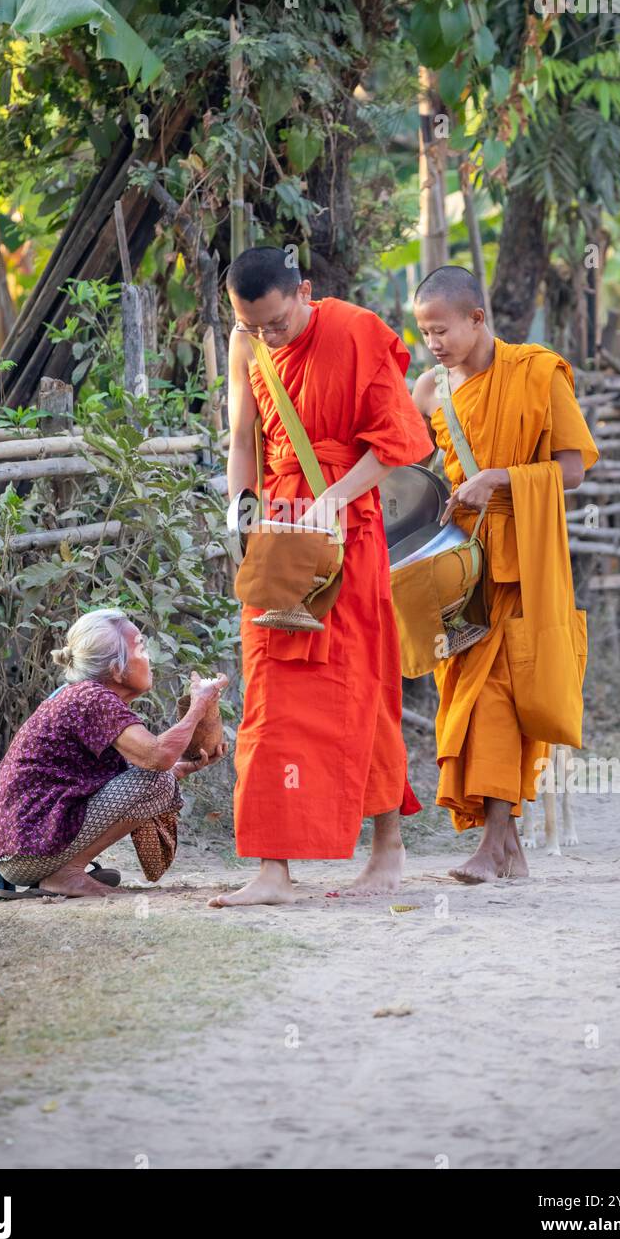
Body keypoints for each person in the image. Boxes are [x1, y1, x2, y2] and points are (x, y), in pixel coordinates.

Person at [213, 246, 434, 908]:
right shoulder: (246, 342)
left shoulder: (357, 331)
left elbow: (398, 440)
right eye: (253, 326)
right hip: (280, 531)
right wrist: (242, 513)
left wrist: (334, 497)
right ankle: (273, 868)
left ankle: (388, 849)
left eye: (276, 324)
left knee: (364, 684)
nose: (266, 337)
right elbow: (243, 437)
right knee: (268, 696)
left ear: (304, 291)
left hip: (350, 529)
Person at [410, 266, 599, 883]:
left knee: (501, 696)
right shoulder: (429, 392)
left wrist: (501, 479)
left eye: (442, 330)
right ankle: (506, 848)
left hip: (524, 560)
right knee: (463, 693)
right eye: (424, 332)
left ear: (477, 318)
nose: (433, 343)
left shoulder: (538, 372)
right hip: (461, 569)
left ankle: (498, 844)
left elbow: (571, 471)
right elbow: (416, 480)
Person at [0, 608, 228, 897]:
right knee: (158, 782)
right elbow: (157, 757)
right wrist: (197, 708)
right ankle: (65, 874)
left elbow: (151, 762)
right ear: (116, 670)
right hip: (26, 852)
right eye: (142, 649)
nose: (150, 659)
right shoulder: (93, 698)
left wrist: (183, 766)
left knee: (160, 778)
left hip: (21, 849)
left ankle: (63, 870)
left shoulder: (85, 696)